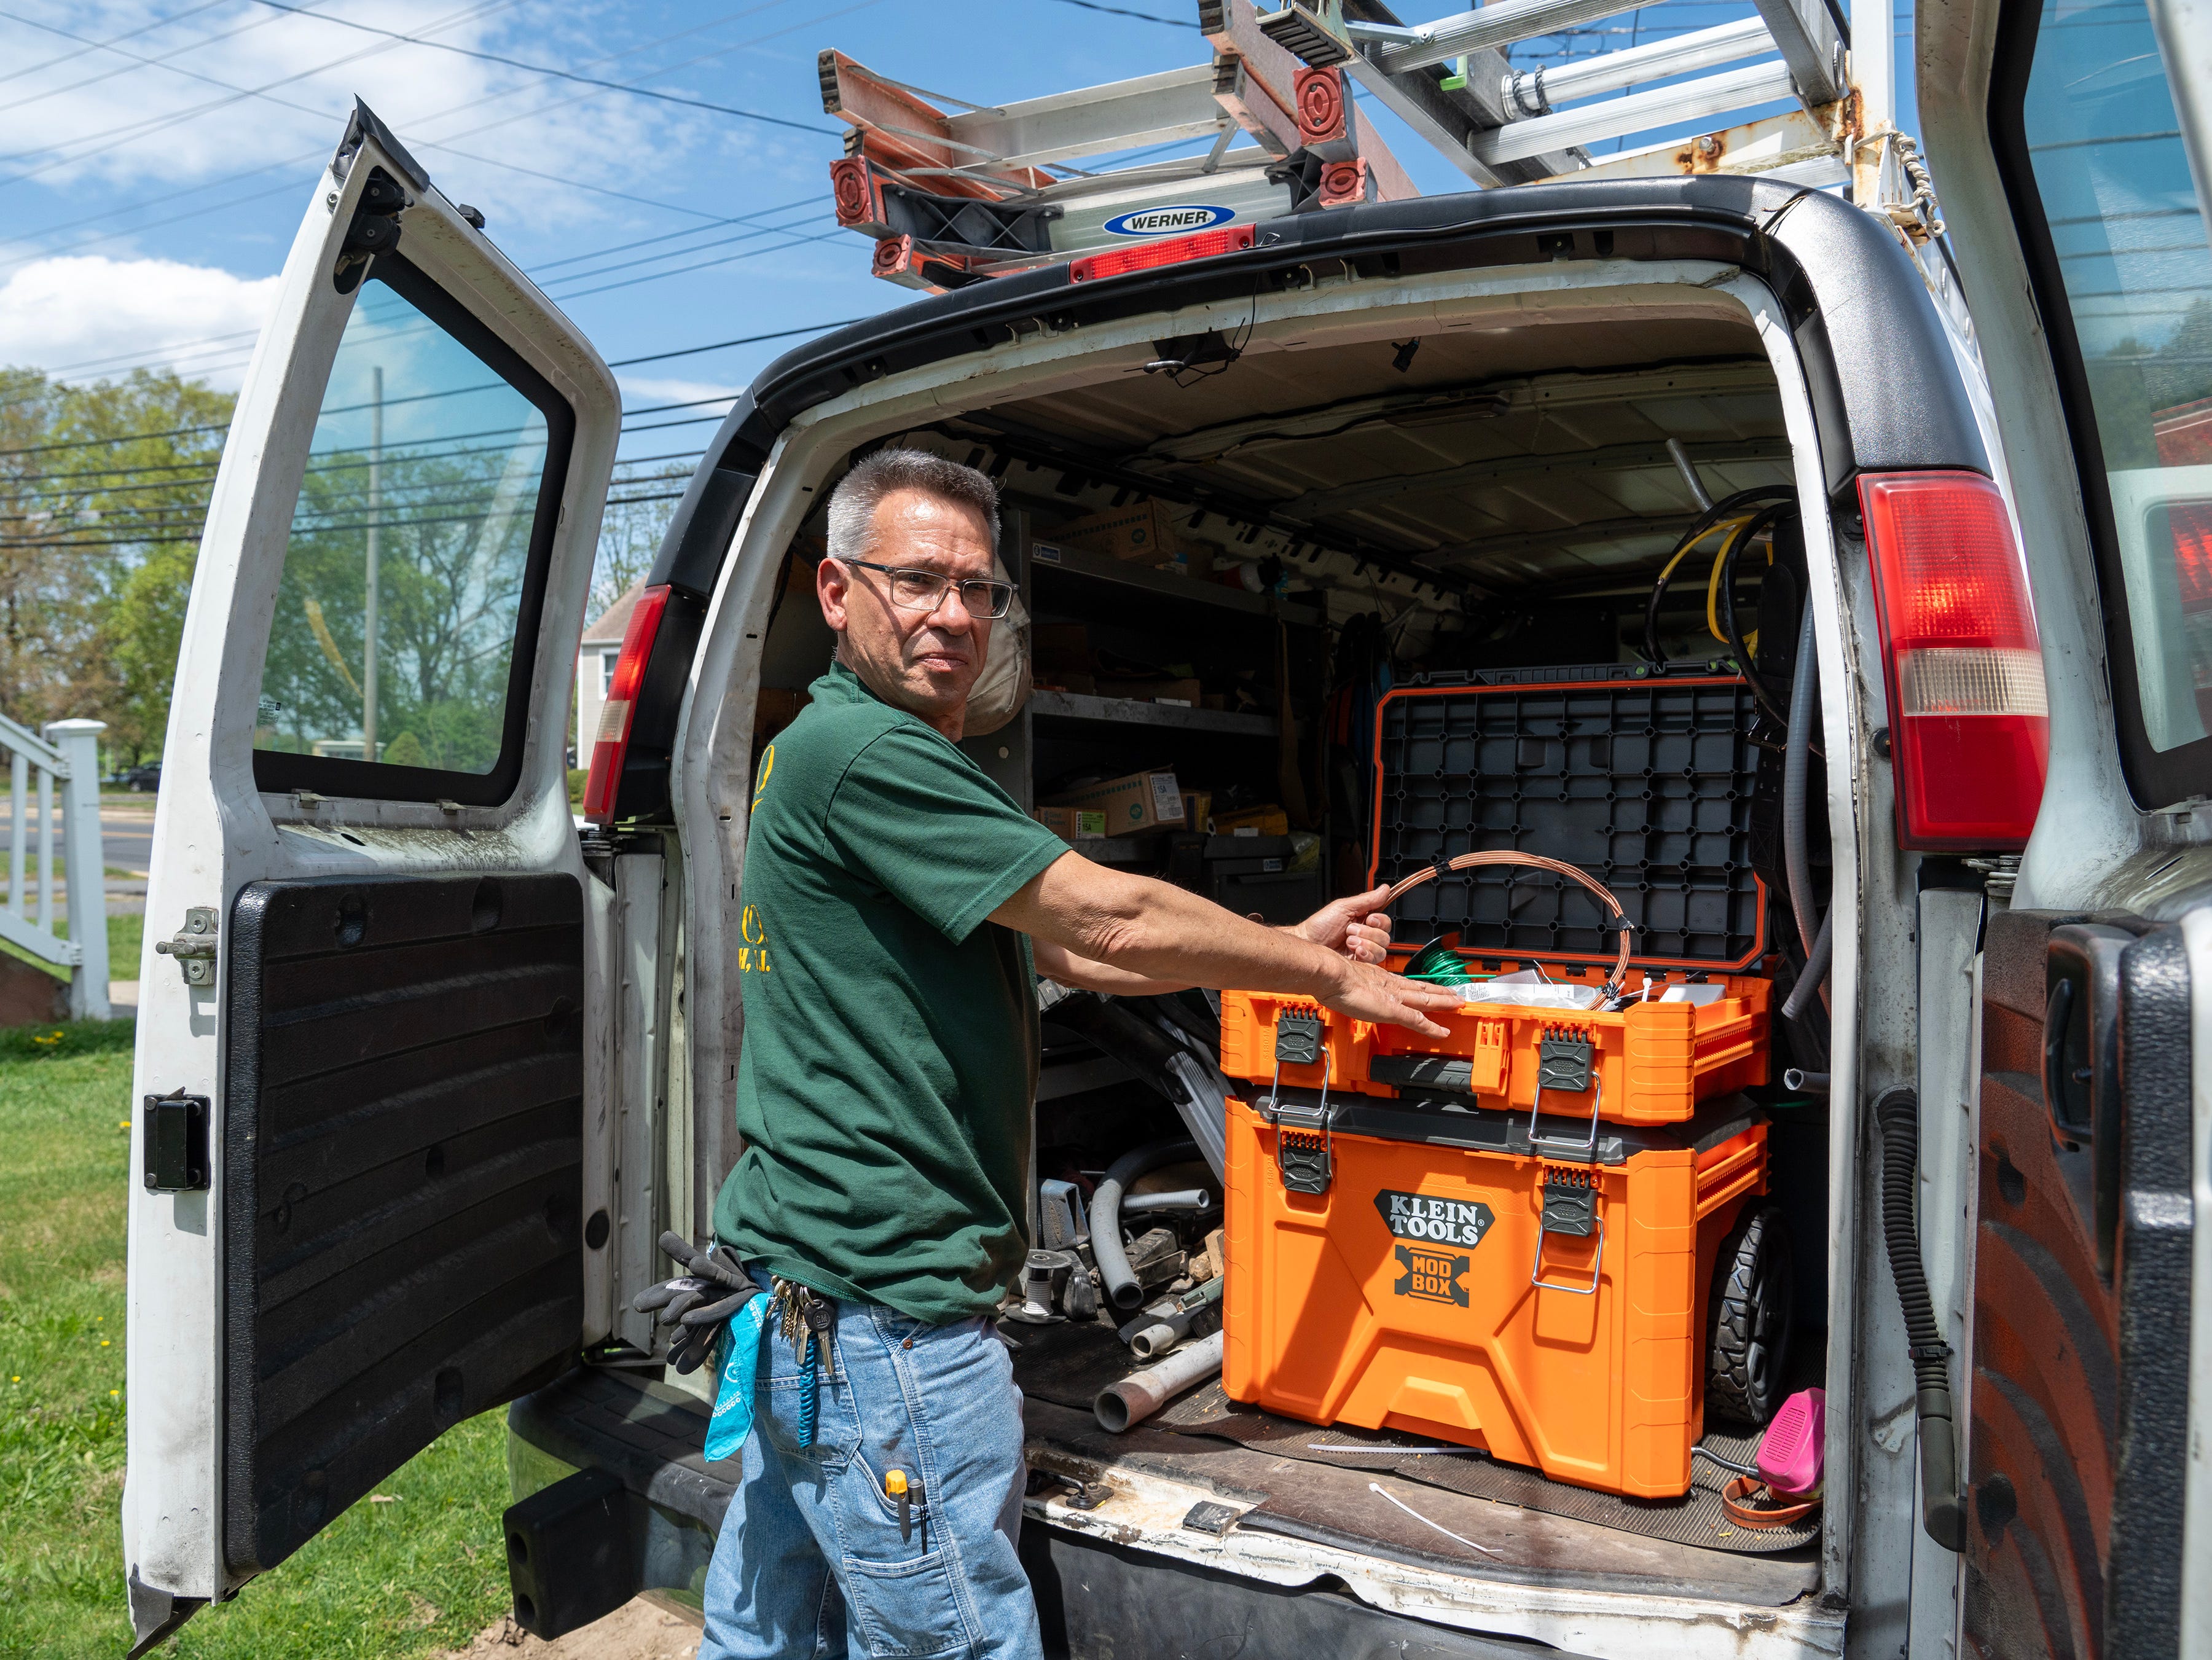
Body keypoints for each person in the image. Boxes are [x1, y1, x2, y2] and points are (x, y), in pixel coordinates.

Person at [692, 449, 1460, 1660]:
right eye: (917, 580)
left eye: (979, 588)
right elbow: (1106, 915)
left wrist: (1273, 942)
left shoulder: (852, 748)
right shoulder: (870, 756)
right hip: (891, 1323)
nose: (954, 613)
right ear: (837, 593)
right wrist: (1330, 972)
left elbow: (1085, 955)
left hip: (811, 1308)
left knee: (768, 1637)